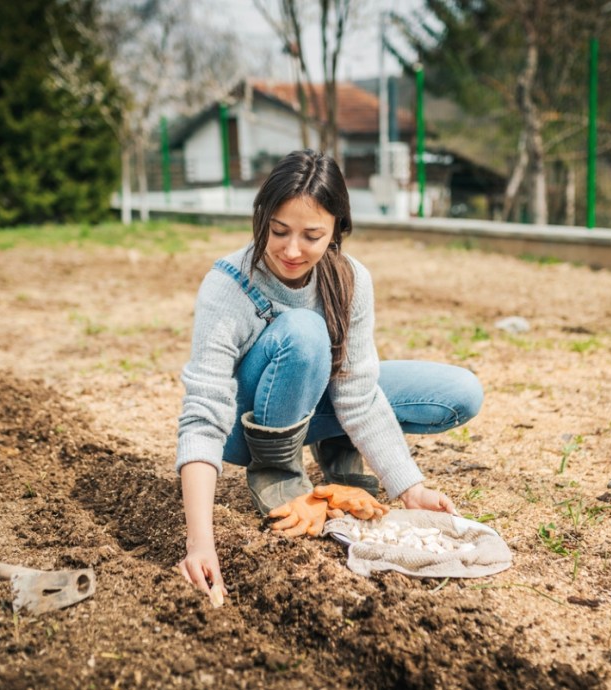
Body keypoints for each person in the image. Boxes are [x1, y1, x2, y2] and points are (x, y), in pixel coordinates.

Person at [176, 149, 484, 596]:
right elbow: (204, 412)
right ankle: (278, 469)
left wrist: (409, 489)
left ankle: (334, 448)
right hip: (246, 426)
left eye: (312, 235)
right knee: (304, 332)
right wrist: (199, 541)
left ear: (338, 229)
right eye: (278, 231)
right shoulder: (229, 285)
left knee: (458, 392)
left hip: (315, 397)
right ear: (261, 217)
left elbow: (357, 395)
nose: (292, 250)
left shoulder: (351, 280)